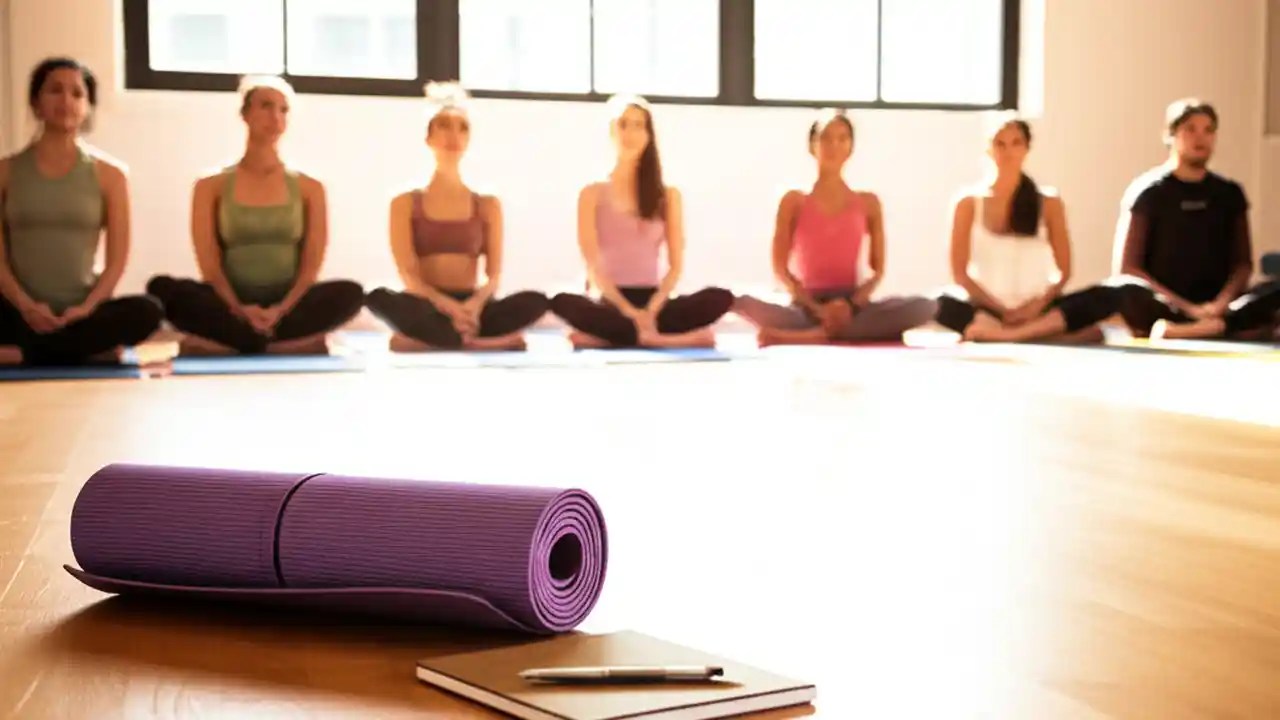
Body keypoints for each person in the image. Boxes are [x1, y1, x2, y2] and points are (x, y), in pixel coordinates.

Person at [146, 75, 363, 355]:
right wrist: (239, 309)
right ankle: (284, 342)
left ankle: (235, 341)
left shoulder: (311, 187)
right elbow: (209, 266)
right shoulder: (210, 186)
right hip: (228, 304)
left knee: (351, 293)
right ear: (245, 114)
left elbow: (311, 267)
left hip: (289, 305)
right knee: (161, 289)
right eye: (266, 106)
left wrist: (281, 310)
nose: (275, 117)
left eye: (283, 110)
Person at [0, 57, 162, 366]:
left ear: (87, 107)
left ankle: (25, 354)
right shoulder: (5, 172)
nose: (66, 100)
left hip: (82, 311)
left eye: (77, 93)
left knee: (148, 310)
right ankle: (78, 350)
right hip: (15, 309)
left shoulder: (111, 175)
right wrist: (26, 306)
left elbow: (116, 262)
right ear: (36, 103)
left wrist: (87, 308)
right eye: (55, 90)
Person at [365, 82, 548, 351]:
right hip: (427, 303)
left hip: (473, 304)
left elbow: (493, 276)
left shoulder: (487, 203)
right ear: (428, 137)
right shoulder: (404, 202)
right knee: (376, 296)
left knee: (537, 300)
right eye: (444, 126)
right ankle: (479, 341)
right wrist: (449, 308)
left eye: (462, 127)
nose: (454, 134)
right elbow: (408, 275)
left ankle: (437, 340)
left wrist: (472, 307)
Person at [733, 110, 937, 345]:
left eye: (842, 138)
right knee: (739, 299)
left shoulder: (868, 202)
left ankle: (807, 335)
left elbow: (877, 270)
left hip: (851, 305)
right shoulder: (793, 200)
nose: (833, 145)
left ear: (851, 147)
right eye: (826, 138)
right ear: (812, 146)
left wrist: (850, 305)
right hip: (805, 306)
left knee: (927, 306)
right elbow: (781, 268)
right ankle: (827, 330)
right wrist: (817, 309)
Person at [549, 95, 734, 349]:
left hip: (654, 300)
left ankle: (614, 338)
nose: (630, 133)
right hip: (611, 301)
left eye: (639, 125)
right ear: (611, 131)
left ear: (649, 135)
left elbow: (675, 266)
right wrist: (629, 312)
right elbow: (593, 265)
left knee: (720, 297)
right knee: (560, 300)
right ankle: (665, 338)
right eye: (623, 124)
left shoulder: (668, 195)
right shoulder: (591, 194)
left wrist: (650, 310)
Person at [933, 115, 1120, 342]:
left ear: (1027, 148)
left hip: (1037, 308)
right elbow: (960, 274)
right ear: (988, 148)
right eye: (999, 143)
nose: (1007, 151)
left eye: (1016, 143)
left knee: (1108, 295)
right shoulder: (968, 203)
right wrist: (1001, 310)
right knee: (937, 302)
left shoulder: (1049, 202)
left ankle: (1008, 335)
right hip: (987, 309)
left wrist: (1035, 306)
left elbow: (1064, 271)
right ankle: (1040, 334)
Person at [1112, 99, 1279, 340]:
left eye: (1208, 130)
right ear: (1171, 135)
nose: (1200, 138)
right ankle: (1217, 327)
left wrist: (1220, 303)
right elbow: (1128, 268)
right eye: (1190, 129)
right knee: (1123, 291)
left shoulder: (1230, 193)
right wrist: (1187, 308)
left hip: (1220, 307)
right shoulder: (1147, 192)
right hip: (1166, 304)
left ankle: (1203, 328)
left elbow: (1243, 264)